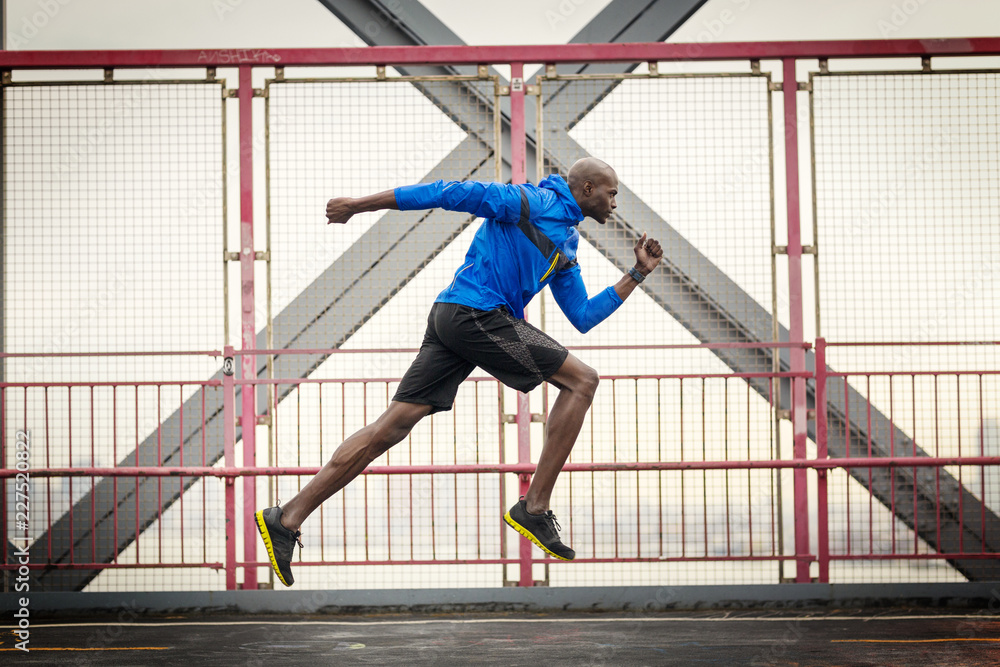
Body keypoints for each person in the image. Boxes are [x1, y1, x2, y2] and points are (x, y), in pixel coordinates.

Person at [255, 157, 663, 586]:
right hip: (475, 313)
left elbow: (581, 314)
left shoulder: (567, 244)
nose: (615, 202)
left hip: (454, 317)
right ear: (585, 189)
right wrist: (358, 205)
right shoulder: (527, 201)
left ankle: (286, 518)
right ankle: (534, 508)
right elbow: (446, 192)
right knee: (583, 380)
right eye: (611, 192)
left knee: (390, 427)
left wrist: (637, 272)